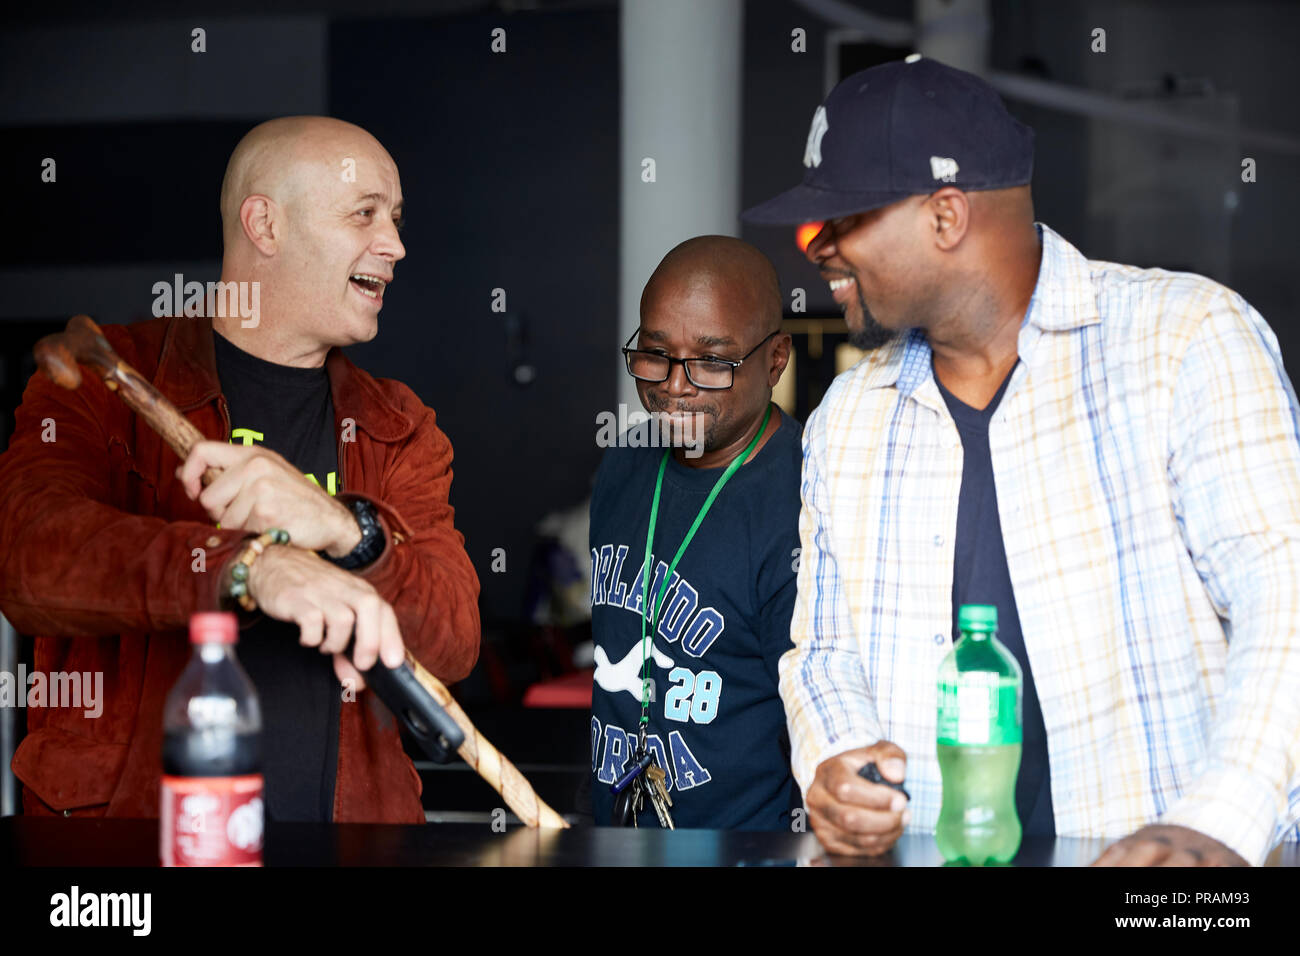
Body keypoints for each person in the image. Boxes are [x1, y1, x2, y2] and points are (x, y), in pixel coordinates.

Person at [743, 56, 1300, 864]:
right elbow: (824, 653)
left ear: (945, 216)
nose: (817, 249)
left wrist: (1217, 825)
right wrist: (837, 760)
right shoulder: (848, 416)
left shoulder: (1185, 341)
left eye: (841, 220)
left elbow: (1284, 601)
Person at [0, 116, 480, 823]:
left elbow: (454, 638)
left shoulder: (399, 425)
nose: (395, 245)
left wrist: (348, 531)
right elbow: (30, 558)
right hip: (140, 846)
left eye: (396, 219)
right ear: (265, 224)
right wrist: (248, 568)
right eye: (365, 214)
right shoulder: (105, 382)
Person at [587, 236, 802, 829]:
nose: (675, 386)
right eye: (656, 354)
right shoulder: (626, 462)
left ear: (776, 359)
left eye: (711, 361)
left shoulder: (806, 500)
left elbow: (819, 718)